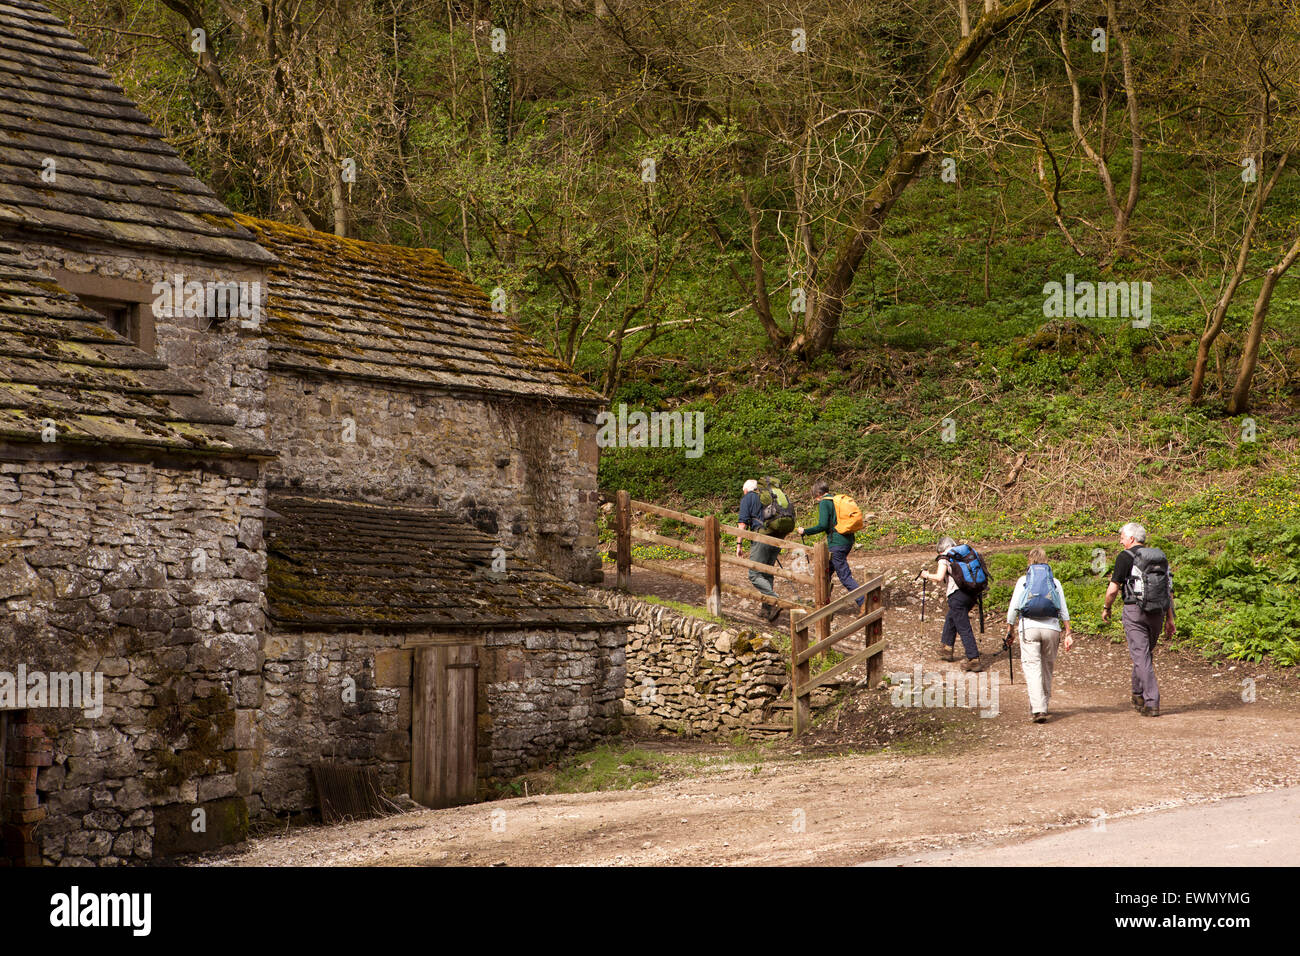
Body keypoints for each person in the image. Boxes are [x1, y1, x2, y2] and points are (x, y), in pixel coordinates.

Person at [1102, 522, 1175, 717]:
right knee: (1143, 654)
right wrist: (1170, 619)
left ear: (1132, 539)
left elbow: (1113, 589)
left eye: (1123, 537)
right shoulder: (1159, 558)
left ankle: (1152, 701)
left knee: (1141, 655)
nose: (1121, 541)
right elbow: (1168, 590)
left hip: (1135, 612)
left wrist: (1107, 608)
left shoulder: (1124, 557)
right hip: (1158, 613)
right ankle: (1137, 694)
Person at [1006, 548, 1074, 723]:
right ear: (1046, 561)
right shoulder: (1054, 581)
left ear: (1029, 561)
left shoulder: (1023, 580)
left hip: (1028, 627)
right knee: (1046, 667)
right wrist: (1068, 632)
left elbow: (1014, 608)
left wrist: (1010, 630)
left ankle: (1038, 708)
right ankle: (1044, 702)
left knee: (1032, 667)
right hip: (1052, 628)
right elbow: (1063, 609)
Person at [796, 480, 866, 615]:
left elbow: (822, 525)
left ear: (818, 494)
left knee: (844, 576)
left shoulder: (824, 503)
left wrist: (805, 531)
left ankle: (863, 601)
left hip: (837, 544)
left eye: (814, 497)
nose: (815, 500)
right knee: (824, 573)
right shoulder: (835, 500)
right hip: (847, 540)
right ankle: (823, 604)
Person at [921, 536, 984, 671]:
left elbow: (939, 577)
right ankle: (946, 648)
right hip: (972, 594)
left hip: (957, 596)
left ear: (941, 549)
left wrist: (926, 575)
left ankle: (973, 659)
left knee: (963, 627)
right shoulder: (966, 553)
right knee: (952, 617)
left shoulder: (945, 557)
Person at [737, 479, 782, 622]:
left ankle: (775, 601)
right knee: (767, 573)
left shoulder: (748, 498)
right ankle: (766, 610)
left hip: (761, 537)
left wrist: (739, 544)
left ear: (745, 490)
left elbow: (742, 523)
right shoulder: (769, 497)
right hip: (776, 537)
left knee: (754, 574)